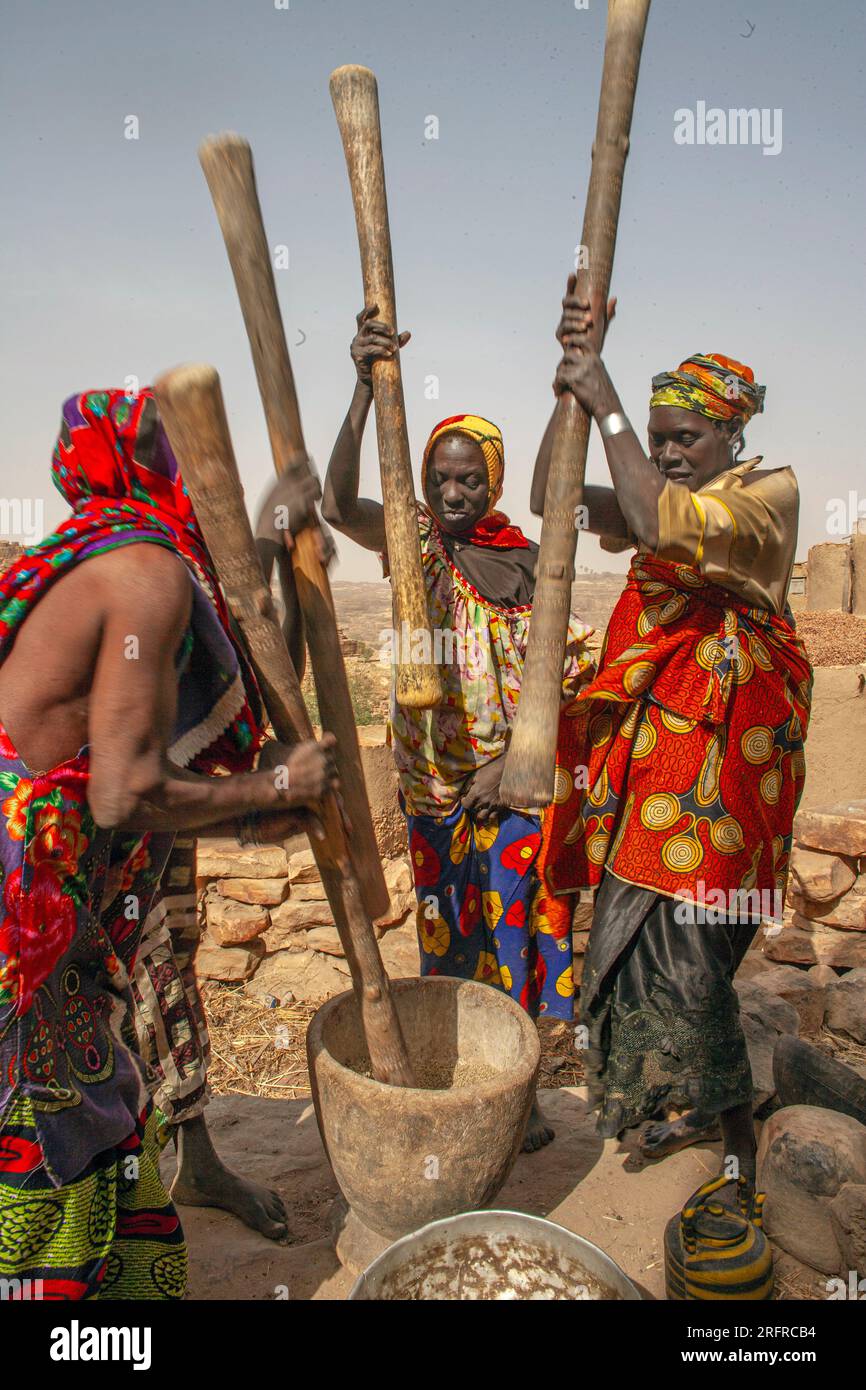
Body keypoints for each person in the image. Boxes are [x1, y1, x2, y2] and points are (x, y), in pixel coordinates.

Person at [0, 388, 337, 1298]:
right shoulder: (142, 571)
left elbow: (237, 640)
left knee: (101, 1093)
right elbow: (124, 789)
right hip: (31, 899)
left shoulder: (97, 557)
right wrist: (270, 790)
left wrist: (274, 535)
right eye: (176, 449)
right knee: (52, 1126)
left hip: (65, 877)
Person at [536, 281, 812, 1195]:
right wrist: (568, 392)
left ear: (730, 435)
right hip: (657, 764)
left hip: (730, 763)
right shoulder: (664, 483)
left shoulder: (767, 493)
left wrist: (606, 390)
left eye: (682, 437)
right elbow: (553, 495)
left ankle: (736, 1145)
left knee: (693, 960)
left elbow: (656, 520)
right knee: (625, 939)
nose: (665, 453)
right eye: (656, 439)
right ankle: (673, 1107)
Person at [321, 307, 593, 1151]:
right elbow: (335, 503)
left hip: (510, 785)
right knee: (447, 942)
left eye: (468, 478)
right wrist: (365, 391)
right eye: (439, 476)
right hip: (432, 790)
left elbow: (561, 673)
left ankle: (523, 1095)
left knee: (514, 940)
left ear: (496, 481)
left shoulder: (525, 560)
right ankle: (463, 1093)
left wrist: (512, 762)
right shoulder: (412, 544)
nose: (450, 492)